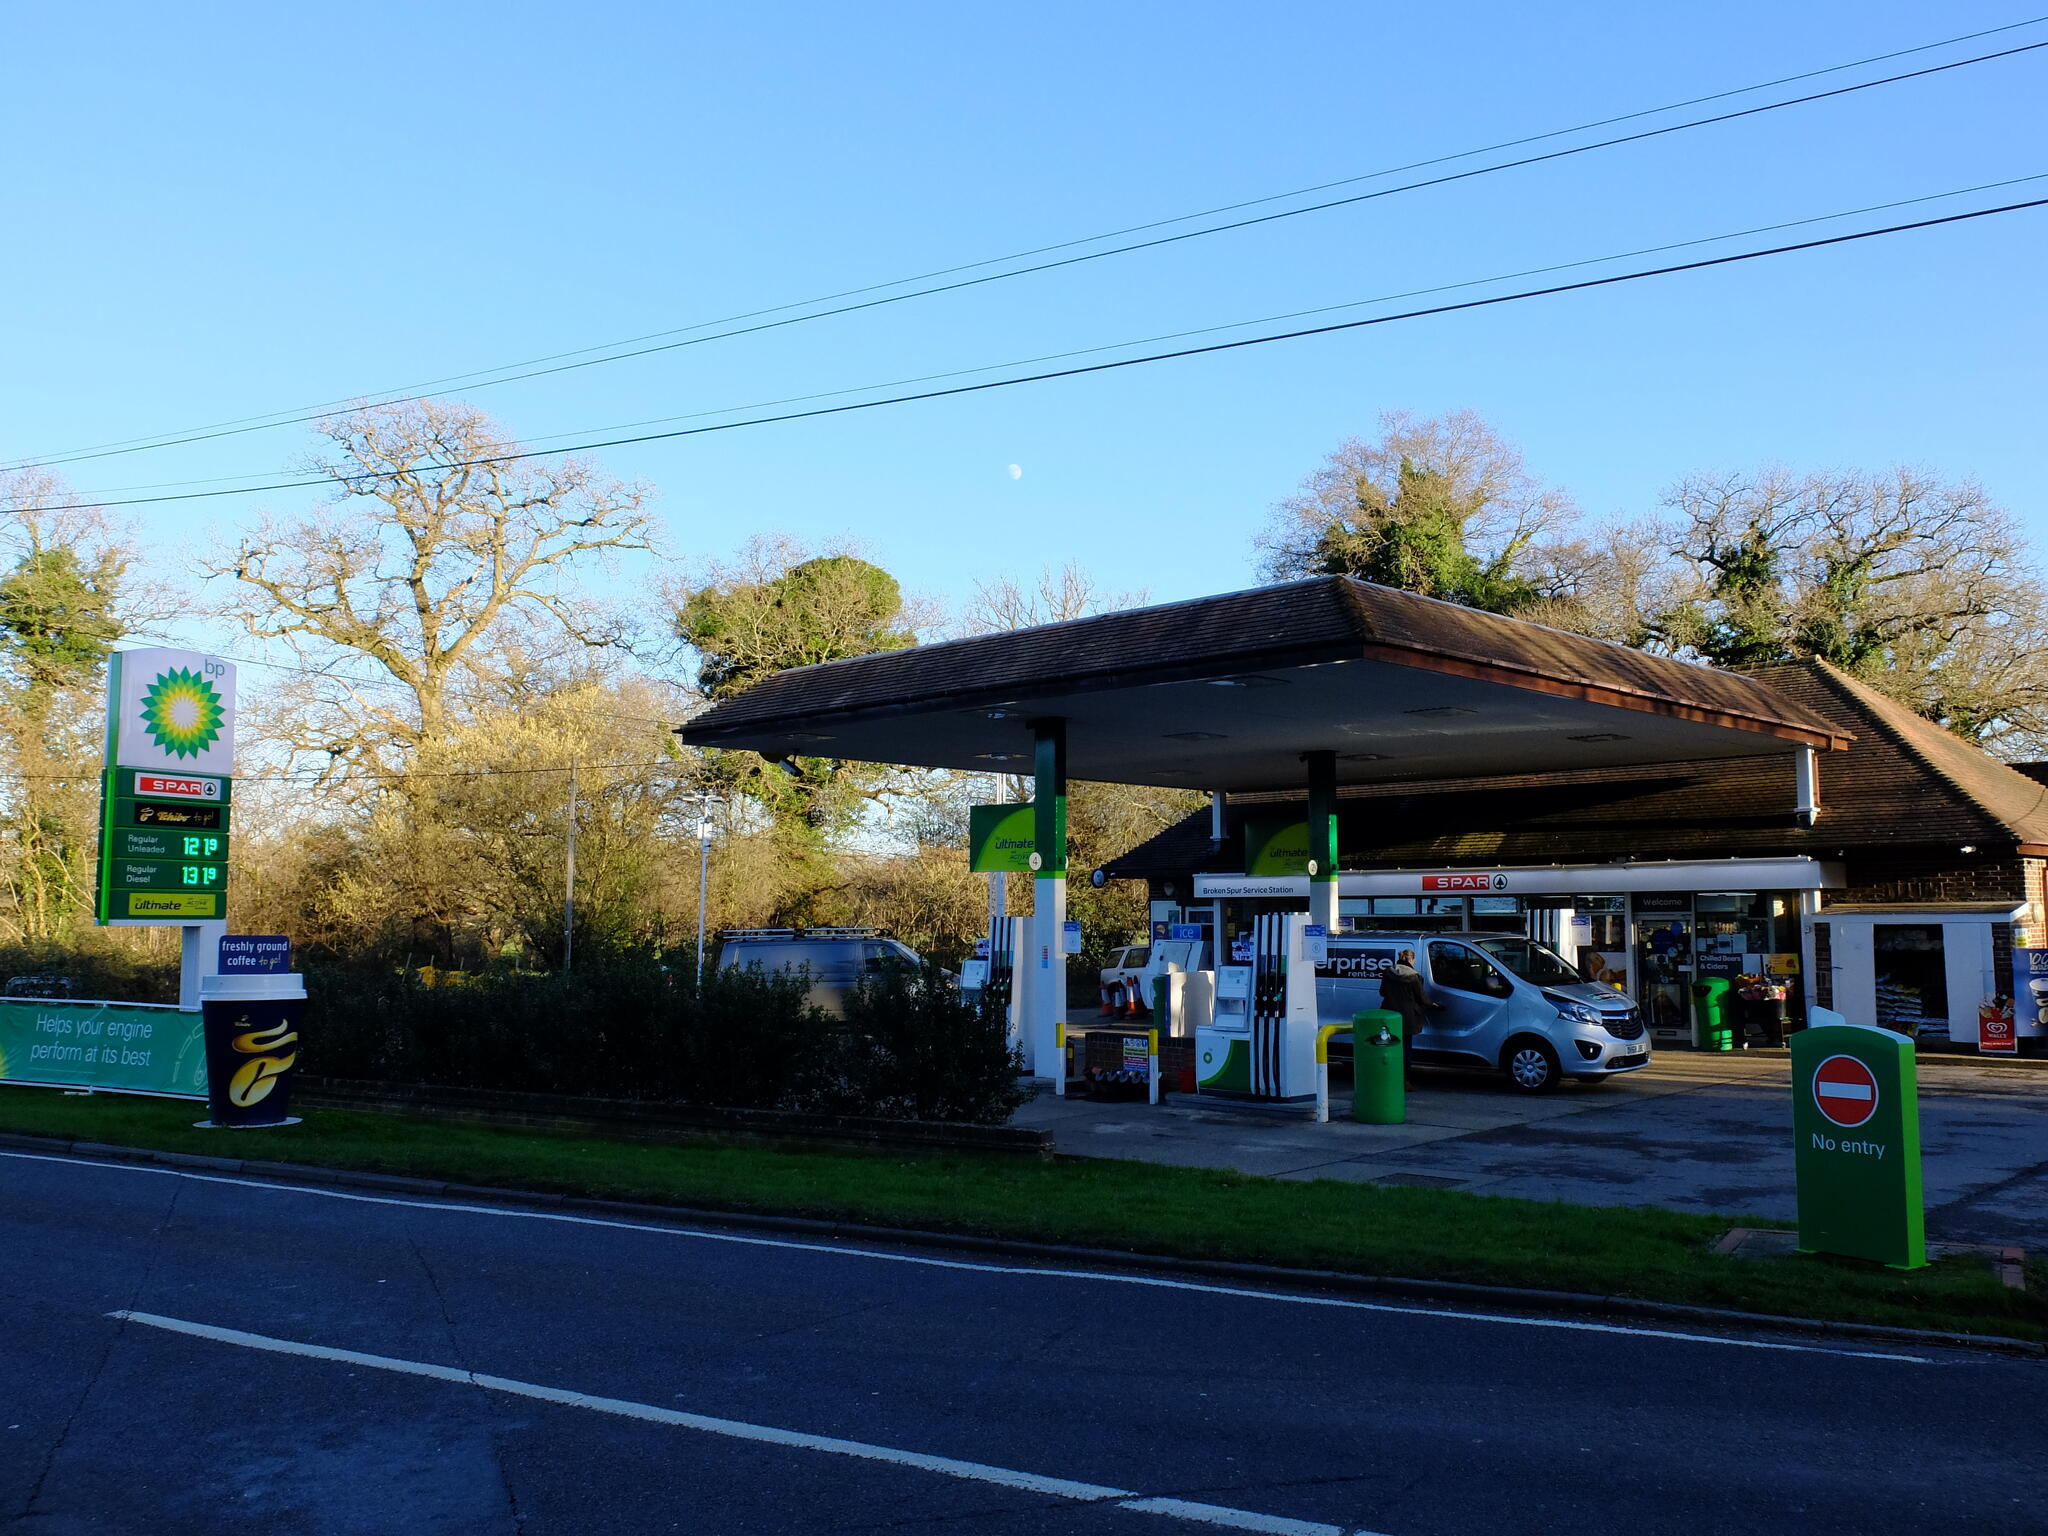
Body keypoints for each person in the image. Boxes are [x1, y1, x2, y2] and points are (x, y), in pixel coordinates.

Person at [1377, 949, 1440, 1085]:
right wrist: (1433, 1004)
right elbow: (1421, 998)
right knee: (1405, 1049)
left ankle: (1387, 1079)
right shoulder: (1414, 976)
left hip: (1389, 1016)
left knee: (1389, 1047)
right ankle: (1405, 1081)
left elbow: (1382, 992)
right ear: (1411, 960)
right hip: (1407, 1018)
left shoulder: (1388, 972)